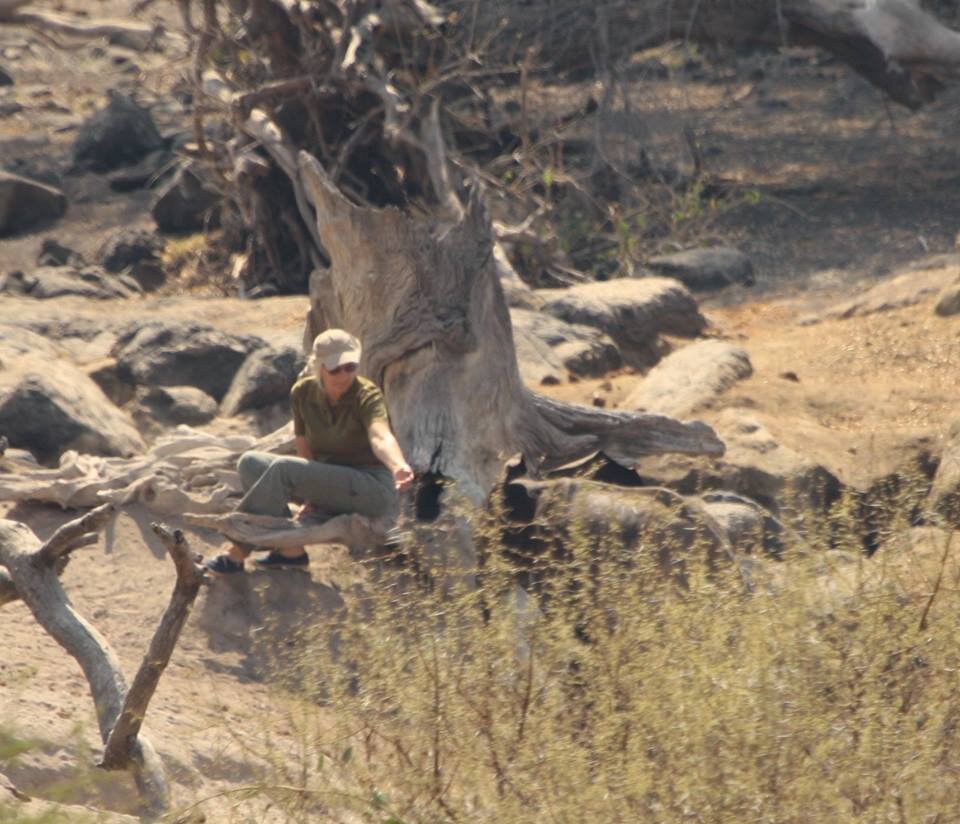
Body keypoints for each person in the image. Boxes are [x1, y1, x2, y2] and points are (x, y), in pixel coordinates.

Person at [205, 328, 414, 573]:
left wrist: (398, 464)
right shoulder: (302, 393)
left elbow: (380, 435)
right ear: (319, 367)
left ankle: (237, 552)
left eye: (350, 366)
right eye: (335, 368)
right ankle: (290, 551)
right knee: (250, 462)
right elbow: (303, 443)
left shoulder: (367, 395)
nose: (344, 374)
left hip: (371, 489)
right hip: (331, 482)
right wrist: (311, 495)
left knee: (283, 469)